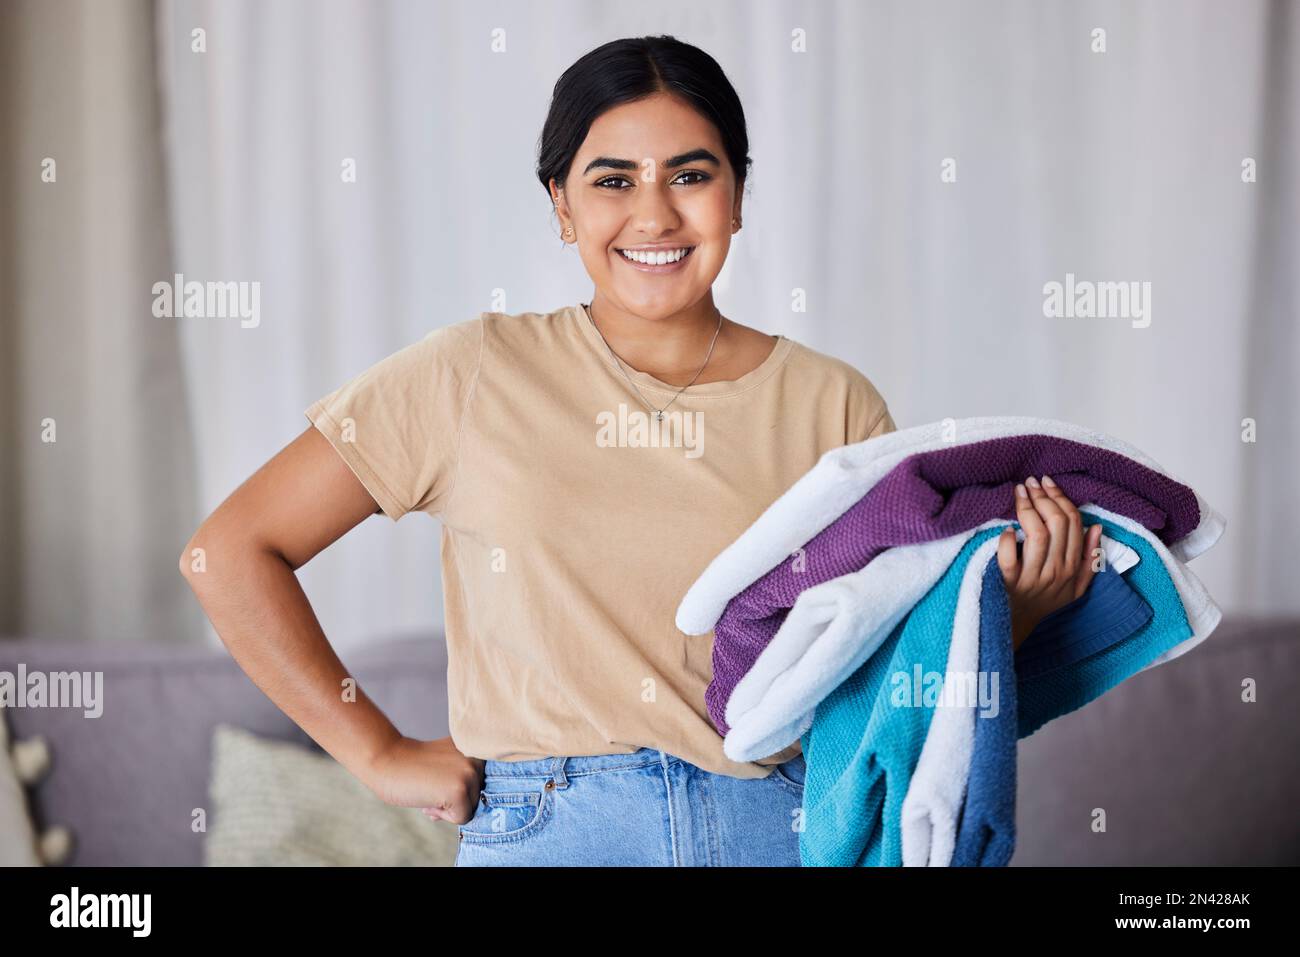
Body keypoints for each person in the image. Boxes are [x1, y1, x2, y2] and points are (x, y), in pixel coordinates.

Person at [180, 34, 1101, 867]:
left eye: (691, 176)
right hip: (553, 830)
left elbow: (868, 683)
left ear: (737, 194)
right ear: (561, 205)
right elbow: (228, 551)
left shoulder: (834, 402)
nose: (654, 215)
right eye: (613, 180)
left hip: (774, 825)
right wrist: (378, 754)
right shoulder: (470, 373)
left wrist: (1009, 614)